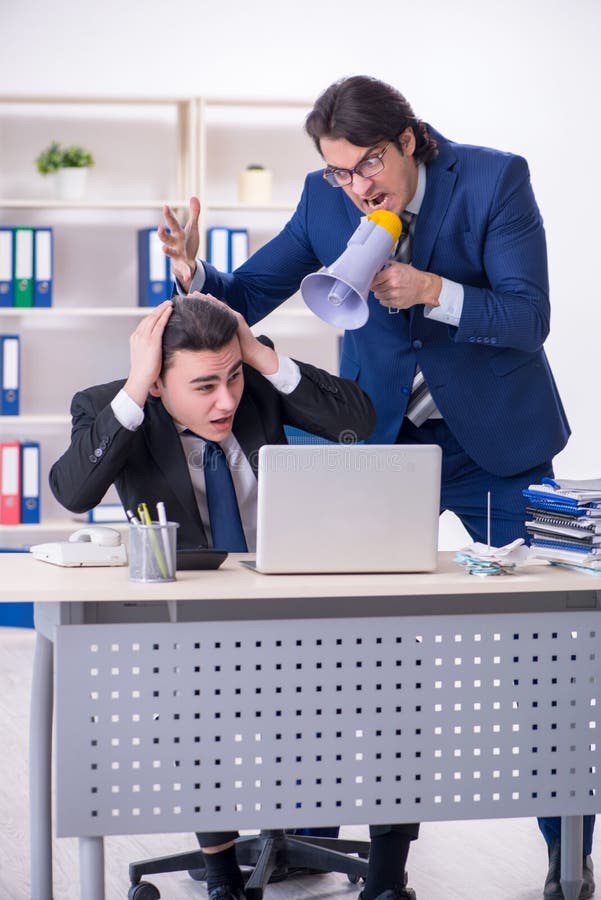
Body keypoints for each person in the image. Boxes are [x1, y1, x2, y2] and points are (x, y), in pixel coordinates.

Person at [158, 75, 594, 900]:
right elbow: (247, 295)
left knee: (540, 658)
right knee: (337, 637)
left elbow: (527, 317)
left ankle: (565, 855)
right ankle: (315, 834)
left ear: (409, 140)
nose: (358, 186)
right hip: (378, 439)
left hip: (494, 446)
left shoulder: (494, 179)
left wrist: (432, 289)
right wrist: (193, 270)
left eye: (367, 164)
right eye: (338, 171)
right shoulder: (327, 204)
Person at [49, 295, 416, 900]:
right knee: (197, 685)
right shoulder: (114, 408)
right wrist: (138, 387)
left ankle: (385, 882)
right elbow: (73, 491)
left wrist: (256, 356)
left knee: (393, 670)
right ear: (161, 385)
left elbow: (360, 421)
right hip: (190, 621)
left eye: (232, 377)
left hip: (294, 607)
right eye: (203, 385)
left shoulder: (256, 386)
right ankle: (222, 878)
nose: (225, 401)